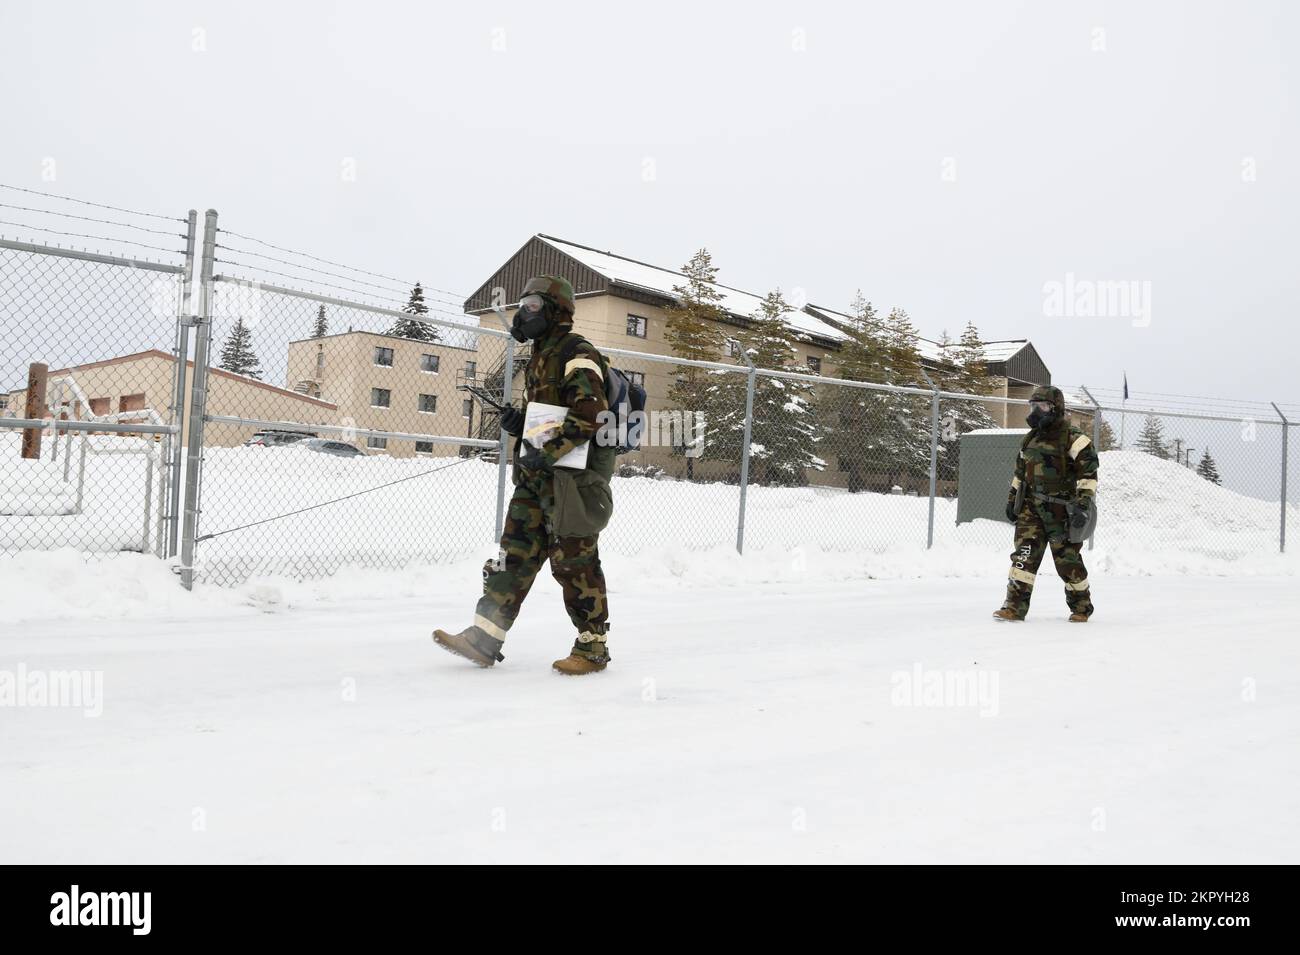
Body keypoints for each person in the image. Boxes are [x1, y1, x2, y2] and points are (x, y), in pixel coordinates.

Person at [434, 275, 615, 673]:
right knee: (513, 554)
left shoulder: (576, 352)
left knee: (574, 561)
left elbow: (591, 415)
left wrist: (546, 452)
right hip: (536, 477)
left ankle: (592, 648)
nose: (523, 313)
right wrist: (523, 425)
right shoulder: (540, 355)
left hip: (571, 480)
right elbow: (554, 415)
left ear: (555, 311)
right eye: (523, 305)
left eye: (532, 305)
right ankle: (484, 637)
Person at [993, 384, 1099, 622]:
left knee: (1067, 562)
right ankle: (1013, 607)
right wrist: (1012, 500)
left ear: (1055, 408)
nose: (1035, 411)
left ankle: (1081, 607)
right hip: (1031, 508)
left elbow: (1088, 475)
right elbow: (1019, 474)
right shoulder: (1029, 440)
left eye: (1041, 406)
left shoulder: (1075, 439)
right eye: (1032, 405)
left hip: (1062, 510)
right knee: (1023, 556)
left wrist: (1082, 504)